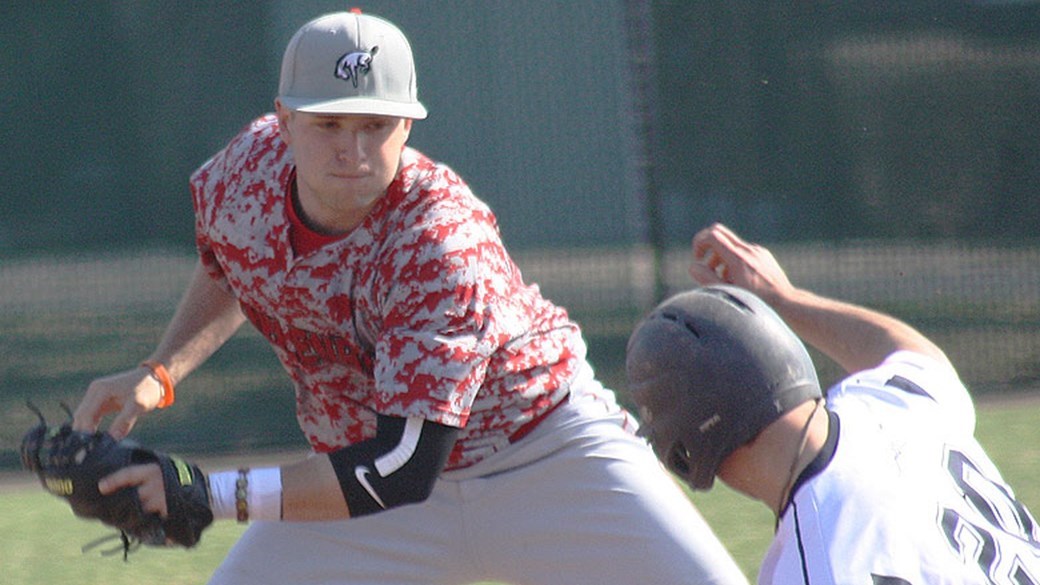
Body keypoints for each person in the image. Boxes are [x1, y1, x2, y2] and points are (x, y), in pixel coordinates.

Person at [71, 11, 748, 585]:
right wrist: (159, 373)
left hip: (541, 455)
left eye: (375, 125)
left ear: (408, 126)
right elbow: (229, 264)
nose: (352, 150)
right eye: (329, 125)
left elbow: (401, 466)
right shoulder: (243, 176)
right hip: (360, 479)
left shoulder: (440, 240)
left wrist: (206, 493)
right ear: (282, 121)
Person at [626, 222, 1040, 584]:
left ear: (687, 454)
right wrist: (784, 298)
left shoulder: (818, 560)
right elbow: (909, 350)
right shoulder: (894, 405)